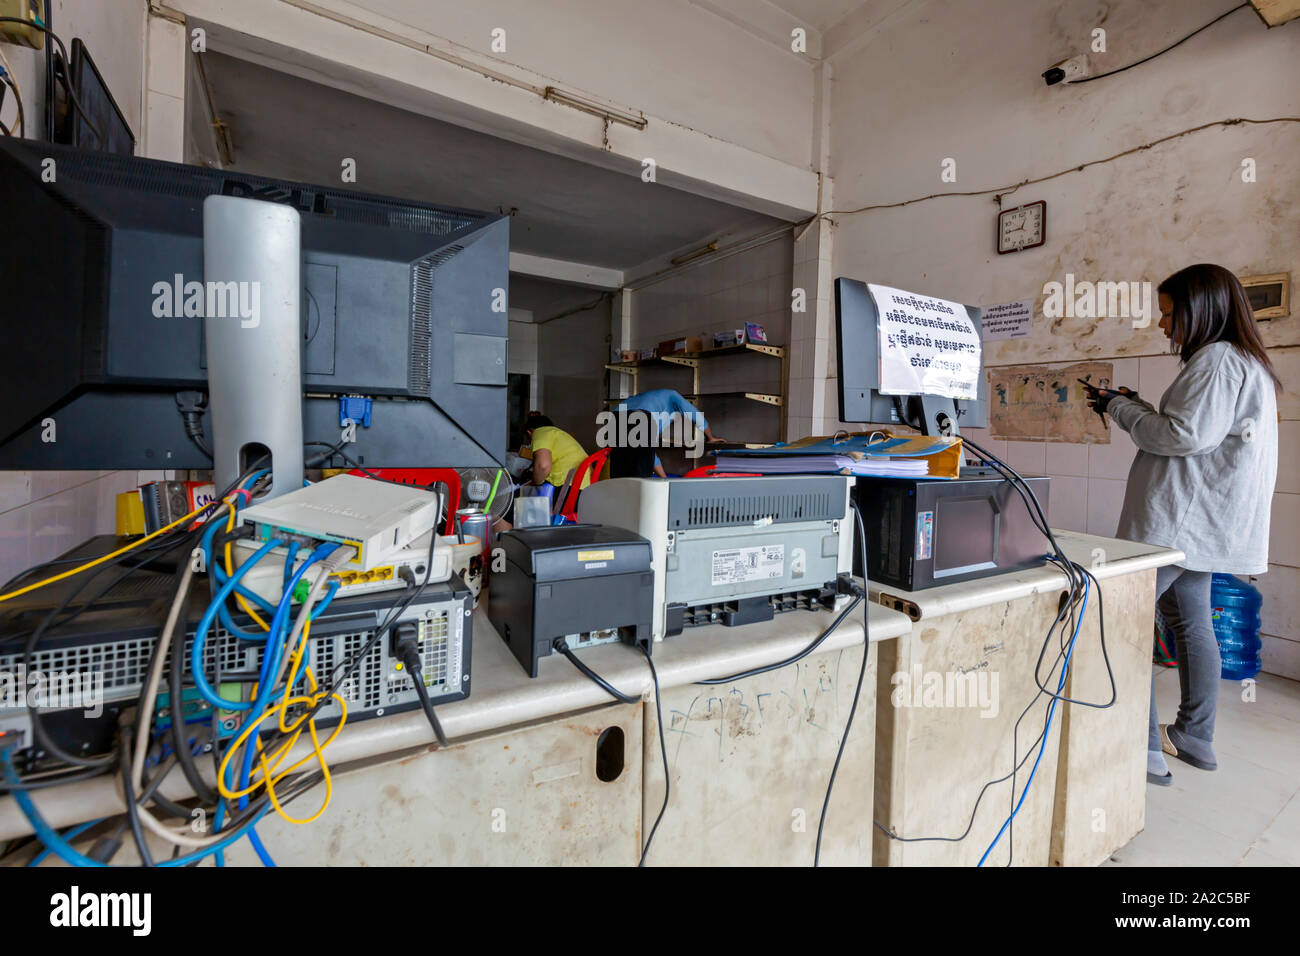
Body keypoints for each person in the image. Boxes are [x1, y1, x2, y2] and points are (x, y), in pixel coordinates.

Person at [1086, 264, 1280, 787]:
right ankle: (1194, 735)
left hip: (1180, 526)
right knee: (1190, 620)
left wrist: (1122, 410)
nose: (1163, 324)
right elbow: (1196, 432)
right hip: (1203, 526)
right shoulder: (1245, 362)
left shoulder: (1217, 360)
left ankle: (1144, 747)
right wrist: (1134, 407)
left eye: (1170, 313)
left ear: (1202, 310)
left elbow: (1183, 437)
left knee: (1118, 617)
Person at [615, 388, 723, 478]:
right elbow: (695, 415)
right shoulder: (673, 396)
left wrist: (663, 478)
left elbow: (649, 453)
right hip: (640, 415)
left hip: (615, 416)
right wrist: (710, 437)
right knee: (641, 475)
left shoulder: (658, 403)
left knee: (621, 470)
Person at [523, 413, 592, 492]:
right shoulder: (557, 433)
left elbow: (543, 466)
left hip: (567, 487)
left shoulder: (539, 433)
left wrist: (534, 484)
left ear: (529, 433)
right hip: (583, 487)